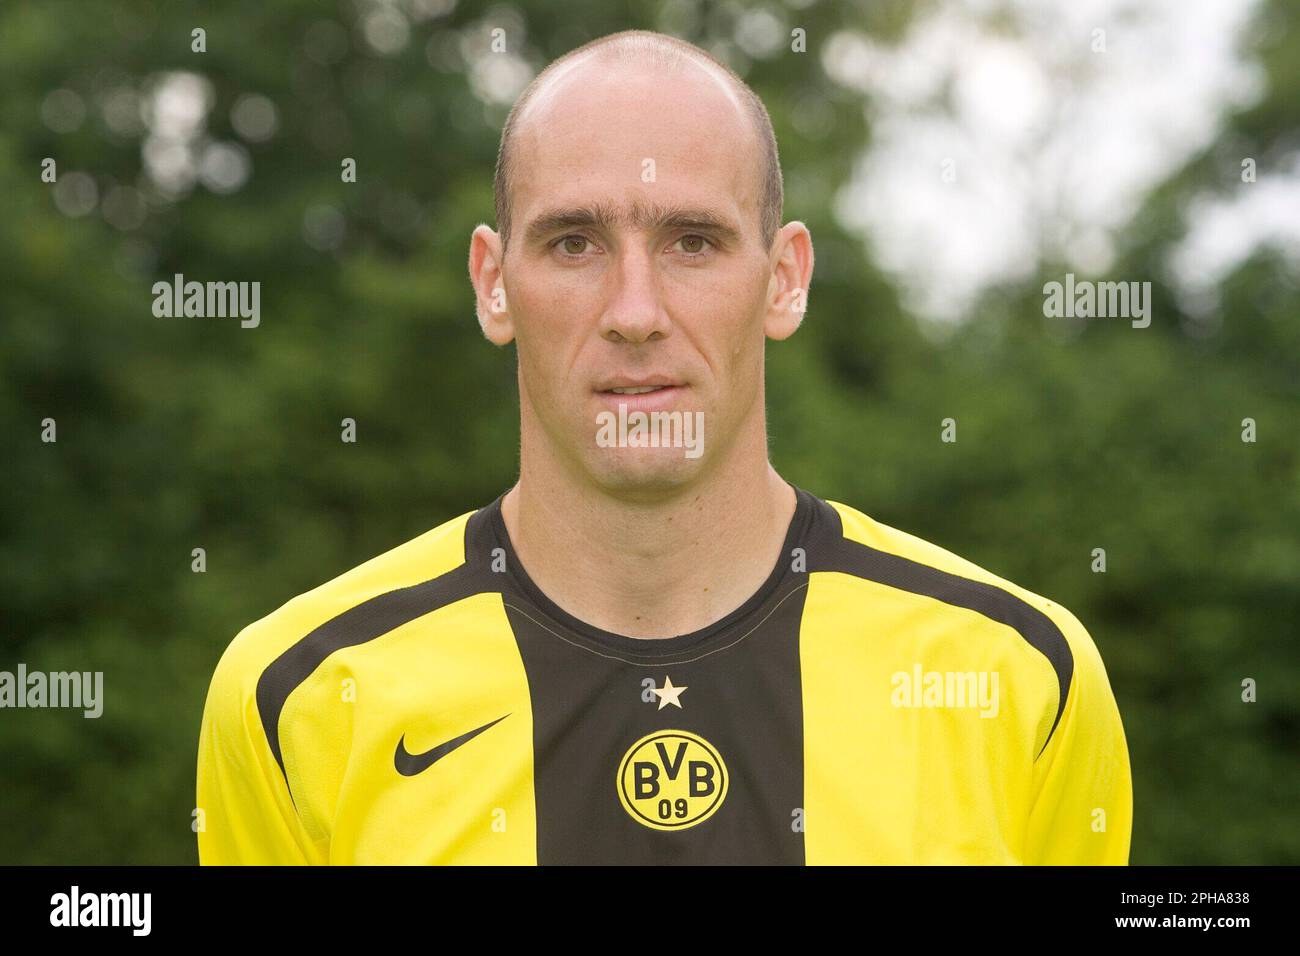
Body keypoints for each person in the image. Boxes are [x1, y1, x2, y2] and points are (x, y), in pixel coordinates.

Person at [196, 29, 1132, 864]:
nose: (635, 314)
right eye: (573, 243)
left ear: (785, 280)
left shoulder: (1018, 679)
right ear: (492, 283)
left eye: (692, 241)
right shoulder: (299, 697)